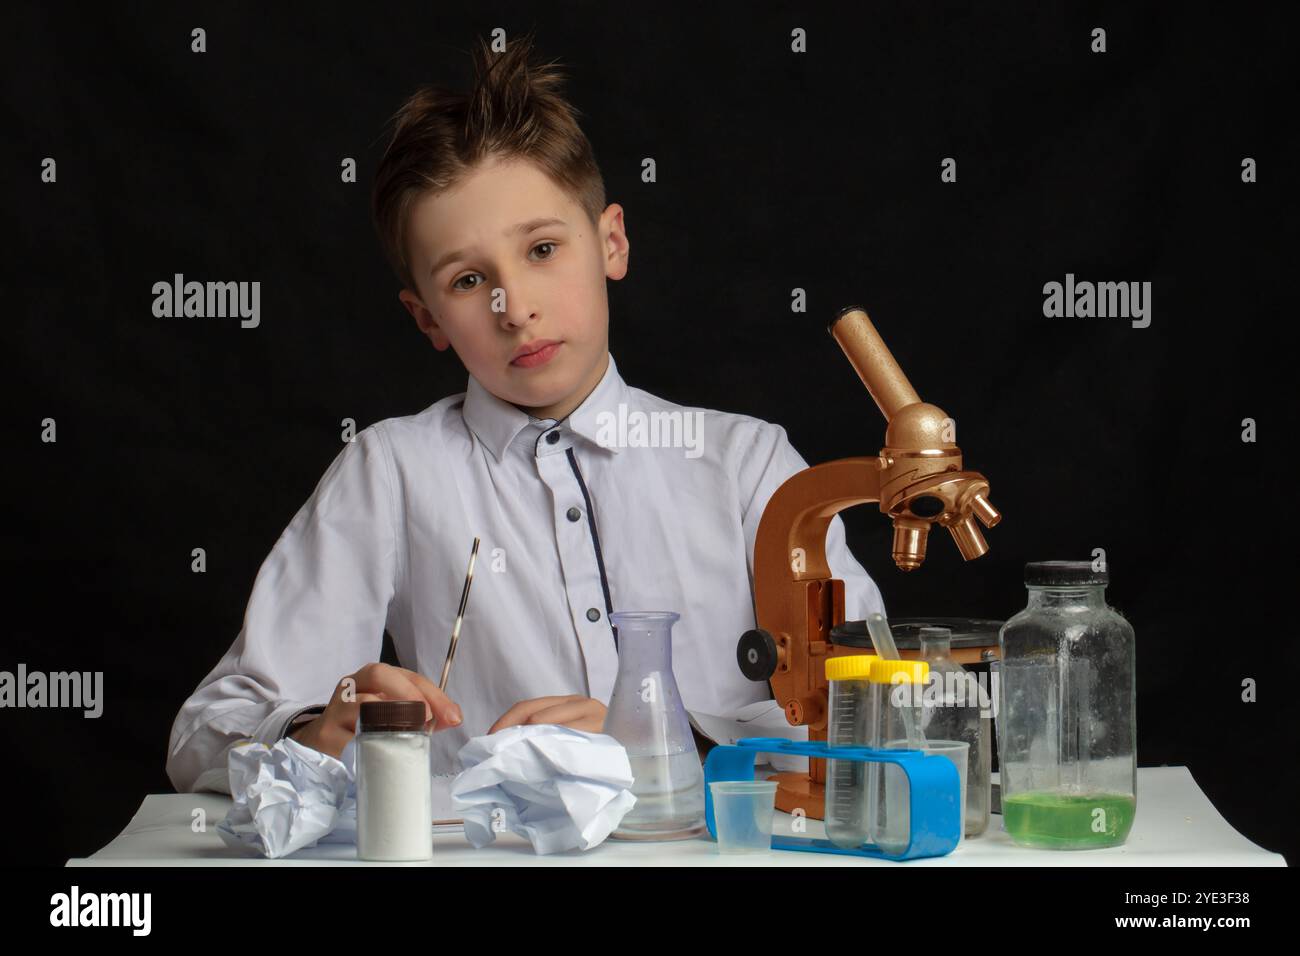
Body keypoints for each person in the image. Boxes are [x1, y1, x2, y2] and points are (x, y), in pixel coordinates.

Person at [166, 32, 885, 794]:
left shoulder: (748, 465)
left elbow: (872, 718)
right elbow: (204, 733)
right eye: (470, 279)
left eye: (542, 249)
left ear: (611, 242)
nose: (516, 309)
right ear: (427, 318)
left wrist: (655, 746)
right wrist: (319, 731)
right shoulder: (394, 471)